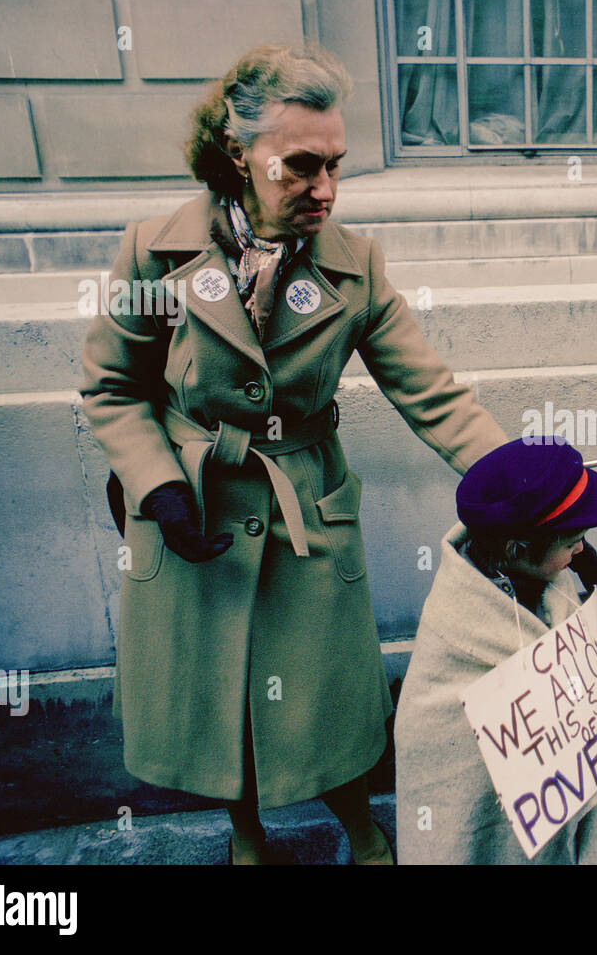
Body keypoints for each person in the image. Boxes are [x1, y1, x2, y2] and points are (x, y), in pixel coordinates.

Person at [79, 45, 507, 864]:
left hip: (304, 509)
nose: (326, 190)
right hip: (193, 508)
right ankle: (246, 834)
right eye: (301, 166)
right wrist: (158, 484)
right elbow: (110, 386)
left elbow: (437, 398)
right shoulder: (151, 251)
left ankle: (359, 824)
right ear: (238, 155)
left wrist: (538, 489)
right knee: (223, 697)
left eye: (336, 165)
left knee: (323, 699)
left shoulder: (356, 267)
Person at [394, 438, 597, 864]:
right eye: (572, 539)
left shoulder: (553, 587)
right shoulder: (454, 639)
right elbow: (445, 791)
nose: (581, 550)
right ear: (517, 551)